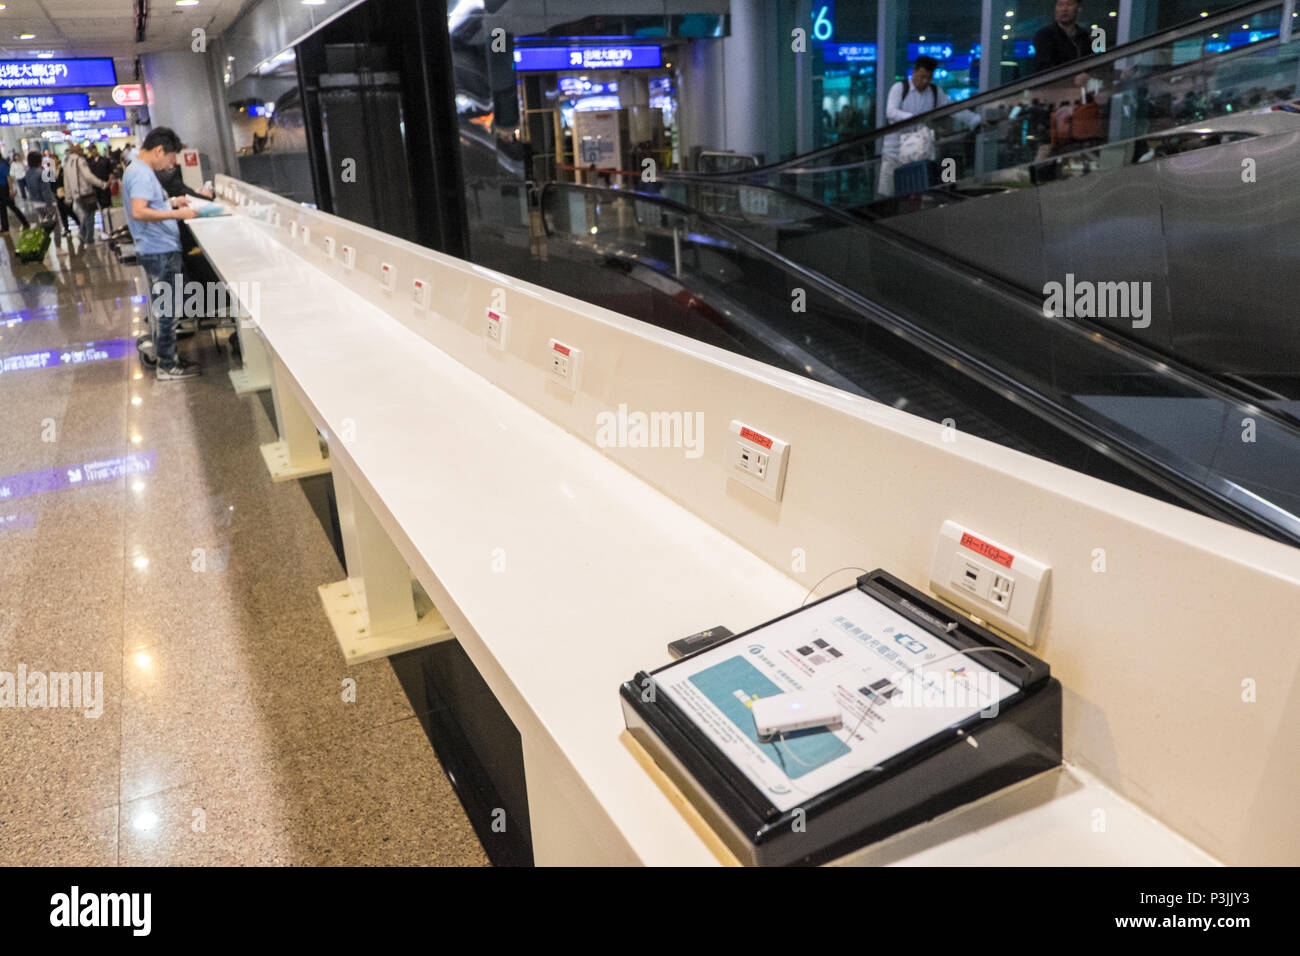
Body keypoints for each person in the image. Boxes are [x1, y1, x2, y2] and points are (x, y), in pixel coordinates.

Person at [122, 127, 200, 380]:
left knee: (164, 307)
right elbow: (139, 211)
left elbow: (149, 206)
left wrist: (172, 203)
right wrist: (176, 214)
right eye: (169, 157)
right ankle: (167, 364)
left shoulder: (138, 170)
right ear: (158, 151)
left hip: (158, 249)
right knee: (167, 309)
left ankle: (168, 356)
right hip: (160, 250)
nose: (171, 163)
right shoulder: (142, 174)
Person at [878, 55, 950, 198]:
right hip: (894, 153)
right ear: (914, 72)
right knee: (889, 196)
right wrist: (914, 119)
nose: (925, 81)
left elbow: (953, 109)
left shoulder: (935, 92)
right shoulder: (899, 88)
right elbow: (891, 112)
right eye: (922, 76)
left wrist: (976, 120)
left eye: (929, 78)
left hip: (919, 155)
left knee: (917, 194)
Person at [63, 144, 107, 245]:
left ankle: (82, 234)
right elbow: (88, 176)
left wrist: (68, 197)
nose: (83, 151)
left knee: (86, 215)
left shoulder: (67, 163)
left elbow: (66, 182)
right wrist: (102, 184)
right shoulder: (80, 160)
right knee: (90, 216)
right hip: (85, 192)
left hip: (76, 194)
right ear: (76, 151)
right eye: (81, 149)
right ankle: (89, 238)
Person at [1033, 0, 1094, 74]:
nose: (1064, 9)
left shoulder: (1083, 36)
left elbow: (1090, 62)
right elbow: (1044, 67)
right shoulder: (1045, 35)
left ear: (1079, 8)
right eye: (1060, 5)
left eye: (1069, 4)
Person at [22, 150, 61, 242]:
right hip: (46, 202)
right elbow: (46, 190)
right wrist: (50, 205)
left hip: (36, 203)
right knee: (55, 224)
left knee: (44, 223)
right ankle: (58, 246)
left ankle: (42, 243)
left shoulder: (28, 173)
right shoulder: (42, 172)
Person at [0, 152, 29, 232]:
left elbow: (9, 177)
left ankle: (25, 223)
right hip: (1, 189)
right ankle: (5, 227)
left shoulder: (2, 164)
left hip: (4, 188)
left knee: (12, 207)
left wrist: (11, 189)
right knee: (2, 209)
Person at [87, 144, 113, 213]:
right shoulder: (89, 162)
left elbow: (110, 172)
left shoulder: (104, 160)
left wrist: (109, 182)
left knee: (107, 204)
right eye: (91, 150)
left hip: (105, 184)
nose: (93, 152)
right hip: (95, 187)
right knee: (99, 205)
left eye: (94, 150)